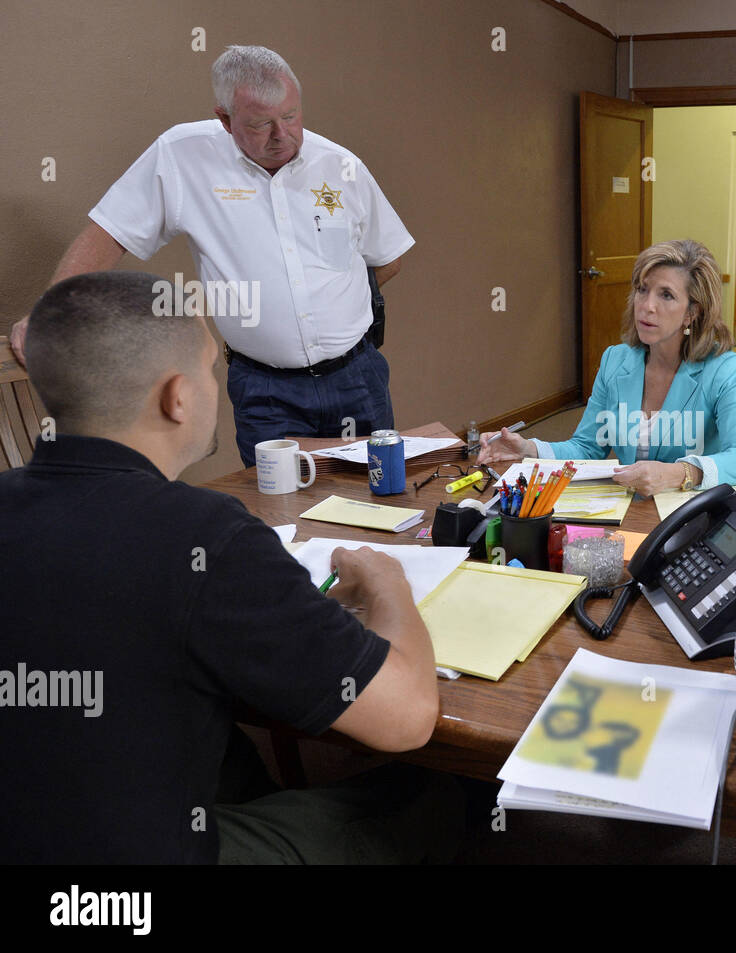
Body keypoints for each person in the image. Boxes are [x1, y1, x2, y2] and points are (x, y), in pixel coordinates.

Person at [0, 272, 458, 864]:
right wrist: (388, 582)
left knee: (227, 747)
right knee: (437, 794)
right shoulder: (203, 534)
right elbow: (409, 718)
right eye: (210, 366)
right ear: (178, 396)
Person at [7, 45, 412, 468]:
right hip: (265, 388)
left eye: (291, 116)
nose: (282, 135)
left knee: (377, 492)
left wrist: (330, 303)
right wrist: (47, 311)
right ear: (224, 119)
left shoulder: (340, 166)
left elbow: (388, 257)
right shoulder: (183, 156)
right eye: (260, 124)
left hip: (357, 377)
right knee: (281, 514)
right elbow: (110, 232)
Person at [476, 239, 736, 496]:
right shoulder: (615, 361)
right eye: (642, 290)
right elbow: (587, 448)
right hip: (630, 510)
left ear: (692, 312)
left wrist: (678, 473)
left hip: (691, 512)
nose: (647, 306)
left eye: (666, 295)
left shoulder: (726, 370)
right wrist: (529, 449)